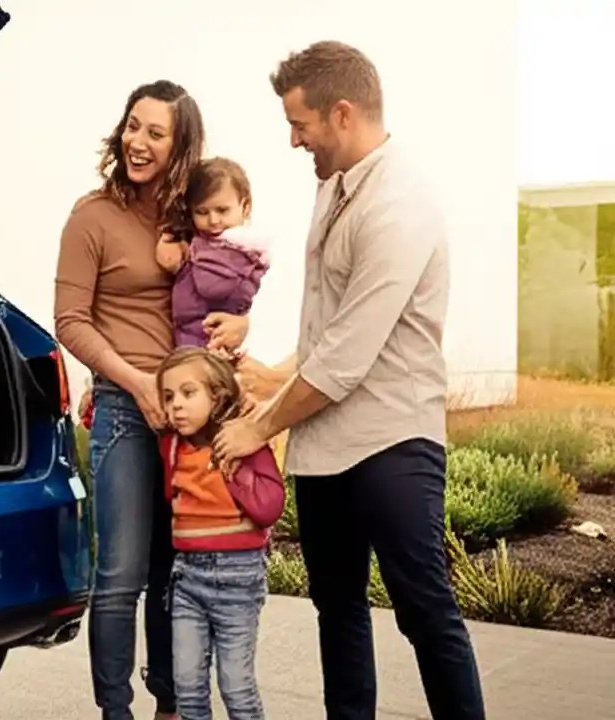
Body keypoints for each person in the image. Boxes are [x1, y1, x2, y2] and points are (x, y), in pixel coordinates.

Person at [212, 41, 486, 719]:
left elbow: (347, 357)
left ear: (342, 113)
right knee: (338, 614)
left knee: (424, 612)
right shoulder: (333, 186)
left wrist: (259, 426)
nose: (292, 139)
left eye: (299, 123)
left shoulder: (401, 204)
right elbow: (323, 332)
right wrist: (269, 377)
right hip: (325, 446)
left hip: (391, 443)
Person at [54, 79, 205, 720]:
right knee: (120, 577)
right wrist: (134, 380)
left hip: (185, 414)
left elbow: (226, 294)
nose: (137, 142)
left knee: (177, 574)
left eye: (155, 132)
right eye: (132, 126)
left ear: (180, 147)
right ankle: (115, 712)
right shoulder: (92, 216)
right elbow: (70, 321)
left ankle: (170, 705)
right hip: (123, 407)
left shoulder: (193, 218)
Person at [157, 348, 284, 720]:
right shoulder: (173, 446)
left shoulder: (242, 440)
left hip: (238, 578)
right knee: (188, 688)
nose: (176, 405)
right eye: (168, 397)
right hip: (188, 579)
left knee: (236, 687)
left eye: (188, 392)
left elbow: (269, 506)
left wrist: (233, 470)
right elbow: (172, 495)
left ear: (217, 396)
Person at [155, 157, 271, 354]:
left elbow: (211, 286)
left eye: (222, 210)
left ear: (245, 206)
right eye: (202, 212)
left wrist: (187, 258)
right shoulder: (205, 242)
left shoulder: (239, 249)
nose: (213, 220)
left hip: (209, 344)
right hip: (190, 336)